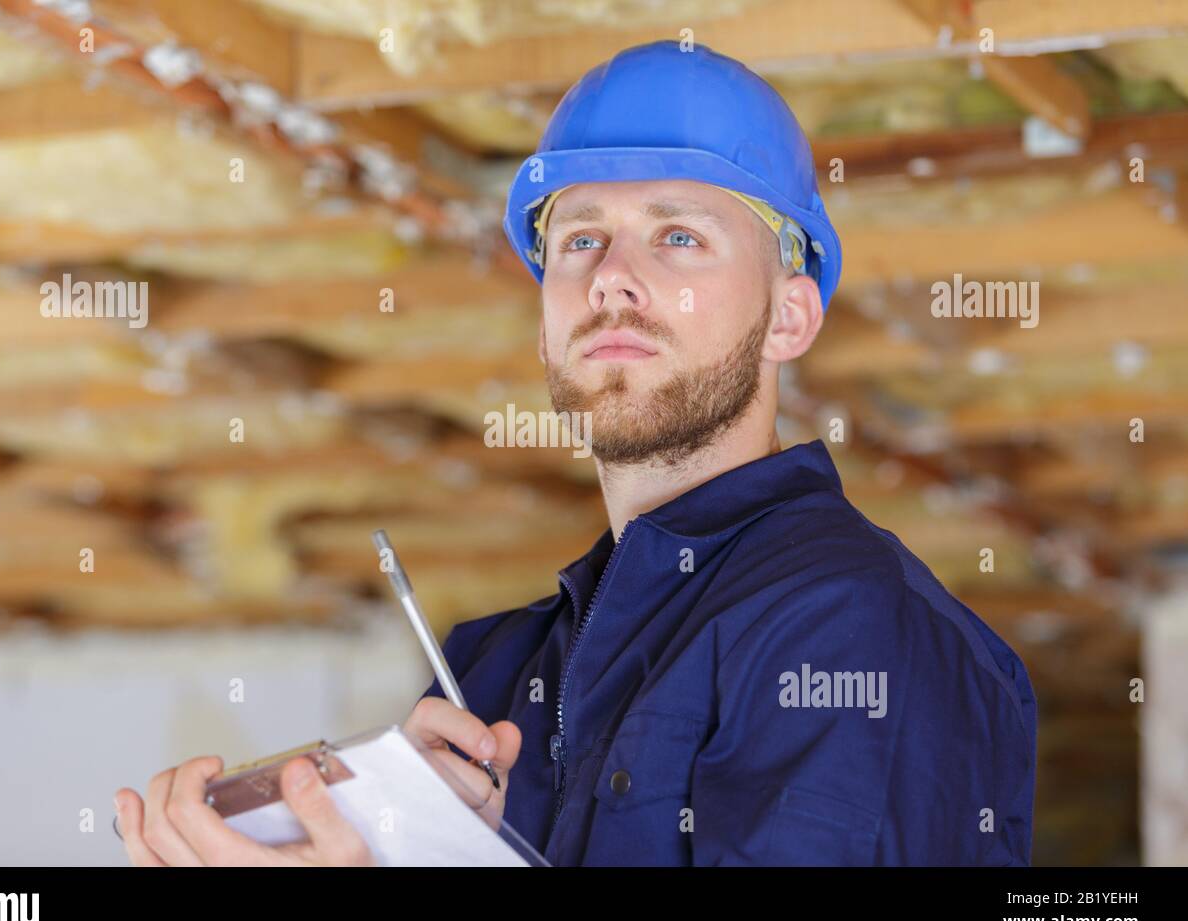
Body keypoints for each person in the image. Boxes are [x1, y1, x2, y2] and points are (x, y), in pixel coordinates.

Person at [116, 39, 1036, 867]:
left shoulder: (854, 624)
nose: (613, 279)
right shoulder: (488, 676)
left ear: (789, 316)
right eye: (581, 238)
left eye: (679, 236)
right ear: (547, 326)